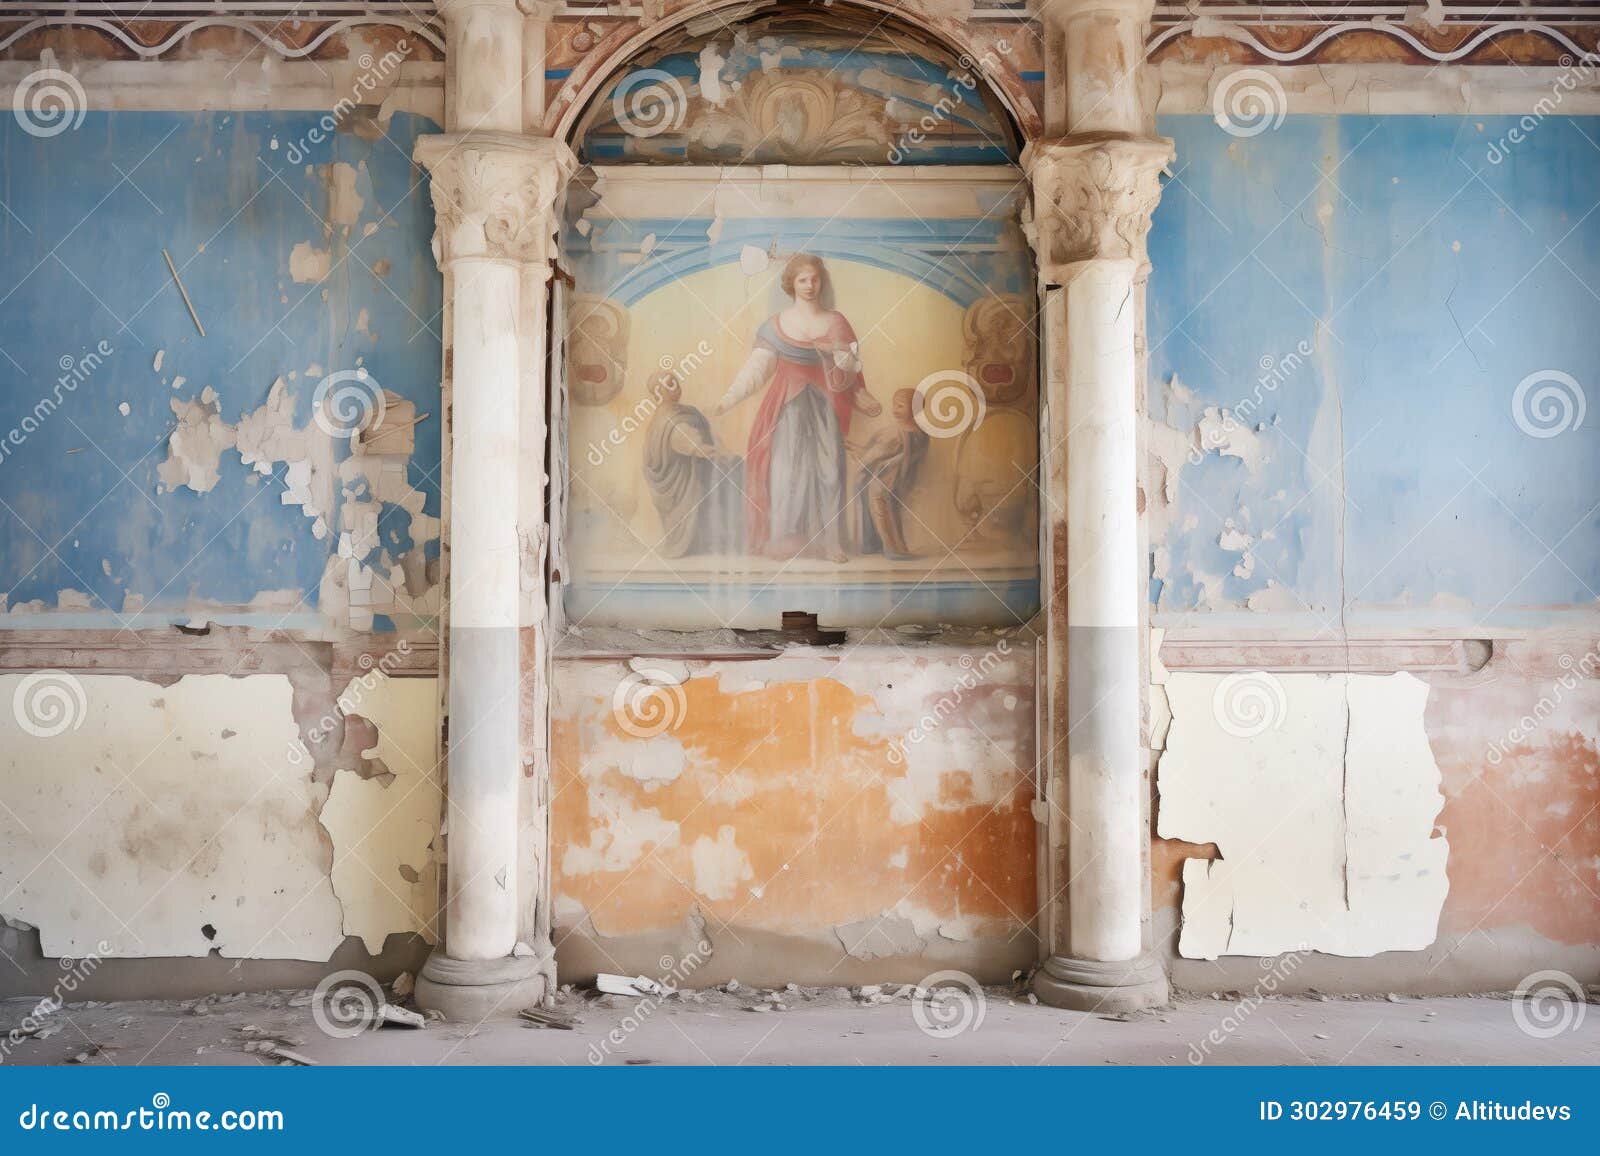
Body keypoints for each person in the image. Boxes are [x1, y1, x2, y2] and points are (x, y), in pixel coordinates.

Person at [713, 253, 881, 562]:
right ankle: (784, 540)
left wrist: (835, 350)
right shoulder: (776, 325)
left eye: (815, 279)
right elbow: (757, 370)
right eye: (802, 280)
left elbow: (852, 368)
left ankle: (831, 543)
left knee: (829, 472)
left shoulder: (835, 321)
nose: (809, 285)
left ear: (822, 282)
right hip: (786, 408)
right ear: (791, 284)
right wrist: (728, 400)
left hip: (825, 407)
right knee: (785, 472)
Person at [642, 372, 741, 557]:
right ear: (658, 393)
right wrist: (723, 458)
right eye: (670, 385)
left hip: (697, 477)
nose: (676, 387)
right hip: (686, 488)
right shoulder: (672, 422)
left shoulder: (682, 413)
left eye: (676, 382)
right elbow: (694, 445)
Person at [849, 388, 927, 560]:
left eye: (900, 406)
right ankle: (878, 544)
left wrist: (861, 456)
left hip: (887, 479)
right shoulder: (917, 433)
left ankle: (892, 548)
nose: (895, 410)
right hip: (892, 478)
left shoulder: (898, 433)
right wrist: (860, 452)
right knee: (883, 507)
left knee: (882, 508)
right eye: (894, 405)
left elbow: (875, 455)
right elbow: (878, 453)